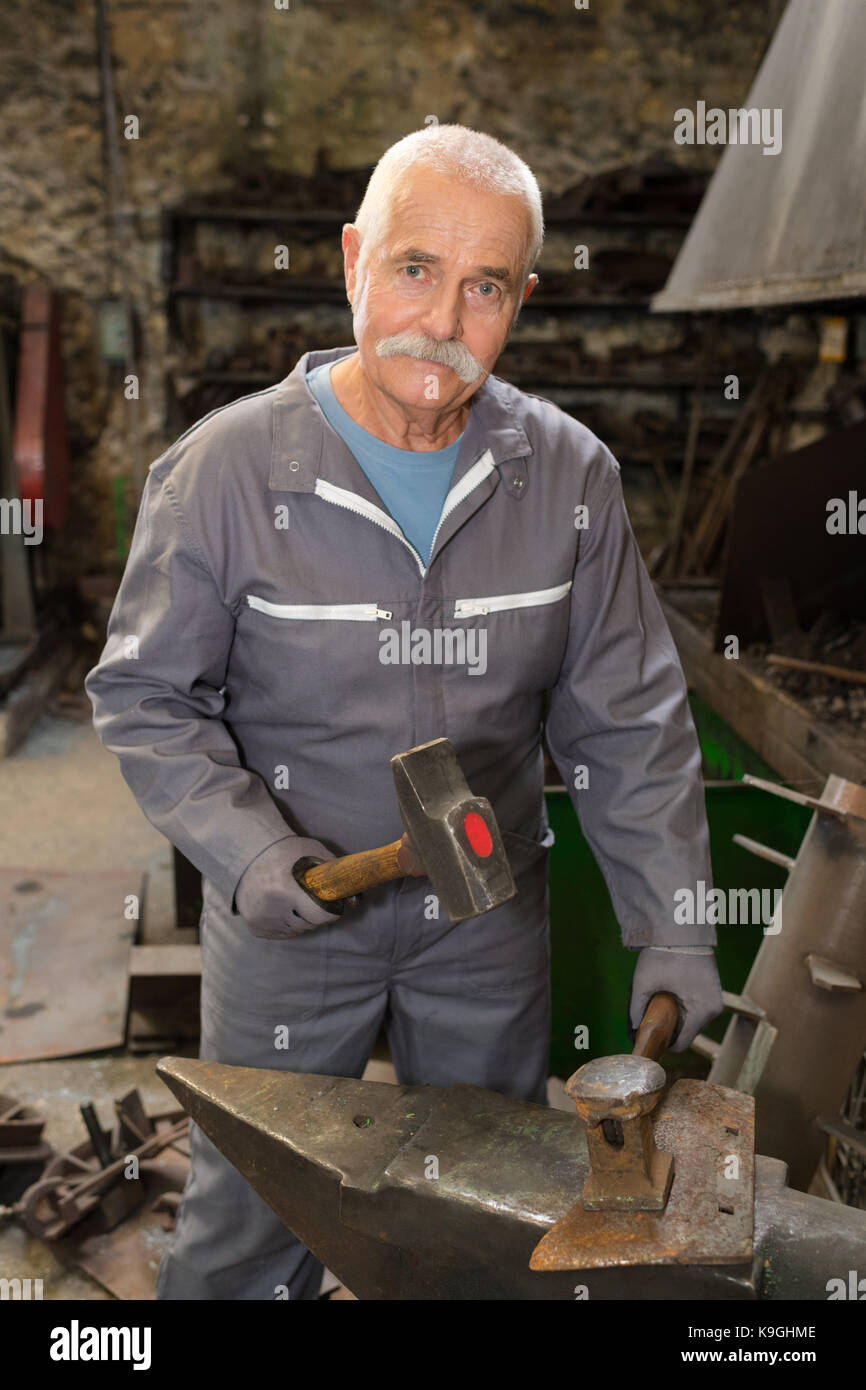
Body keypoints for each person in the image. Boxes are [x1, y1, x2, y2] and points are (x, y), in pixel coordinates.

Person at [85, 123, 722, 1300]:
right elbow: (143, 697)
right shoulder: (223, 474)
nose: (441, 319)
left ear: (521, 300)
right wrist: (250, 851)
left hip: (481, 918)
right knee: (251, 1212)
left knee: (473, 1206)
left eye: (483, 286)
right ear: (350, 262)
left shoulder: (568, 477)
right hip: (293, 913)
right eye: (414, 267)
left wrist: (670, 919)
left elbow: (626, 722)